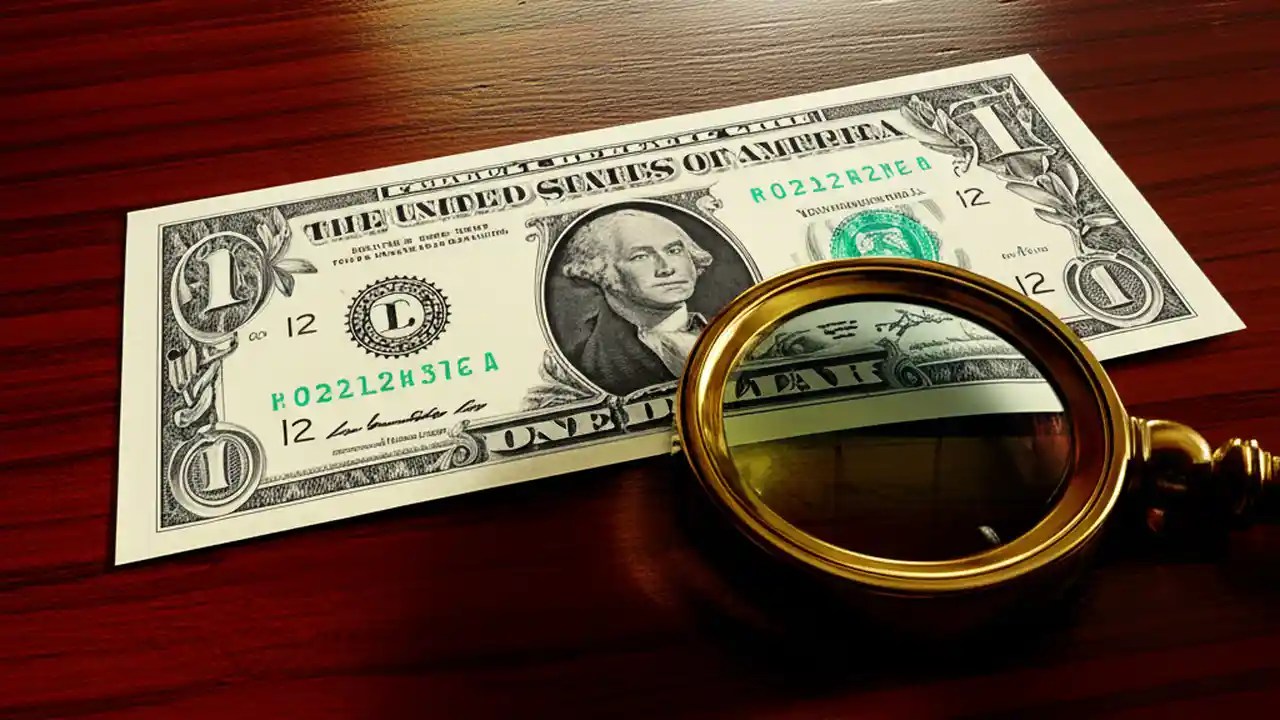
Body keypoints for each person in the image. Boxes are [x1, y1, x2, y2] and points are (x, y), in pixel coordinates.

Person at [559, 208, 714, 396]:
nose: (666, 268)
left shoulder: (725, 325)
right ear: (600, 271)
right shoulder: (586, 364)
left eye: (674, 251)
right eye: (640, 256)